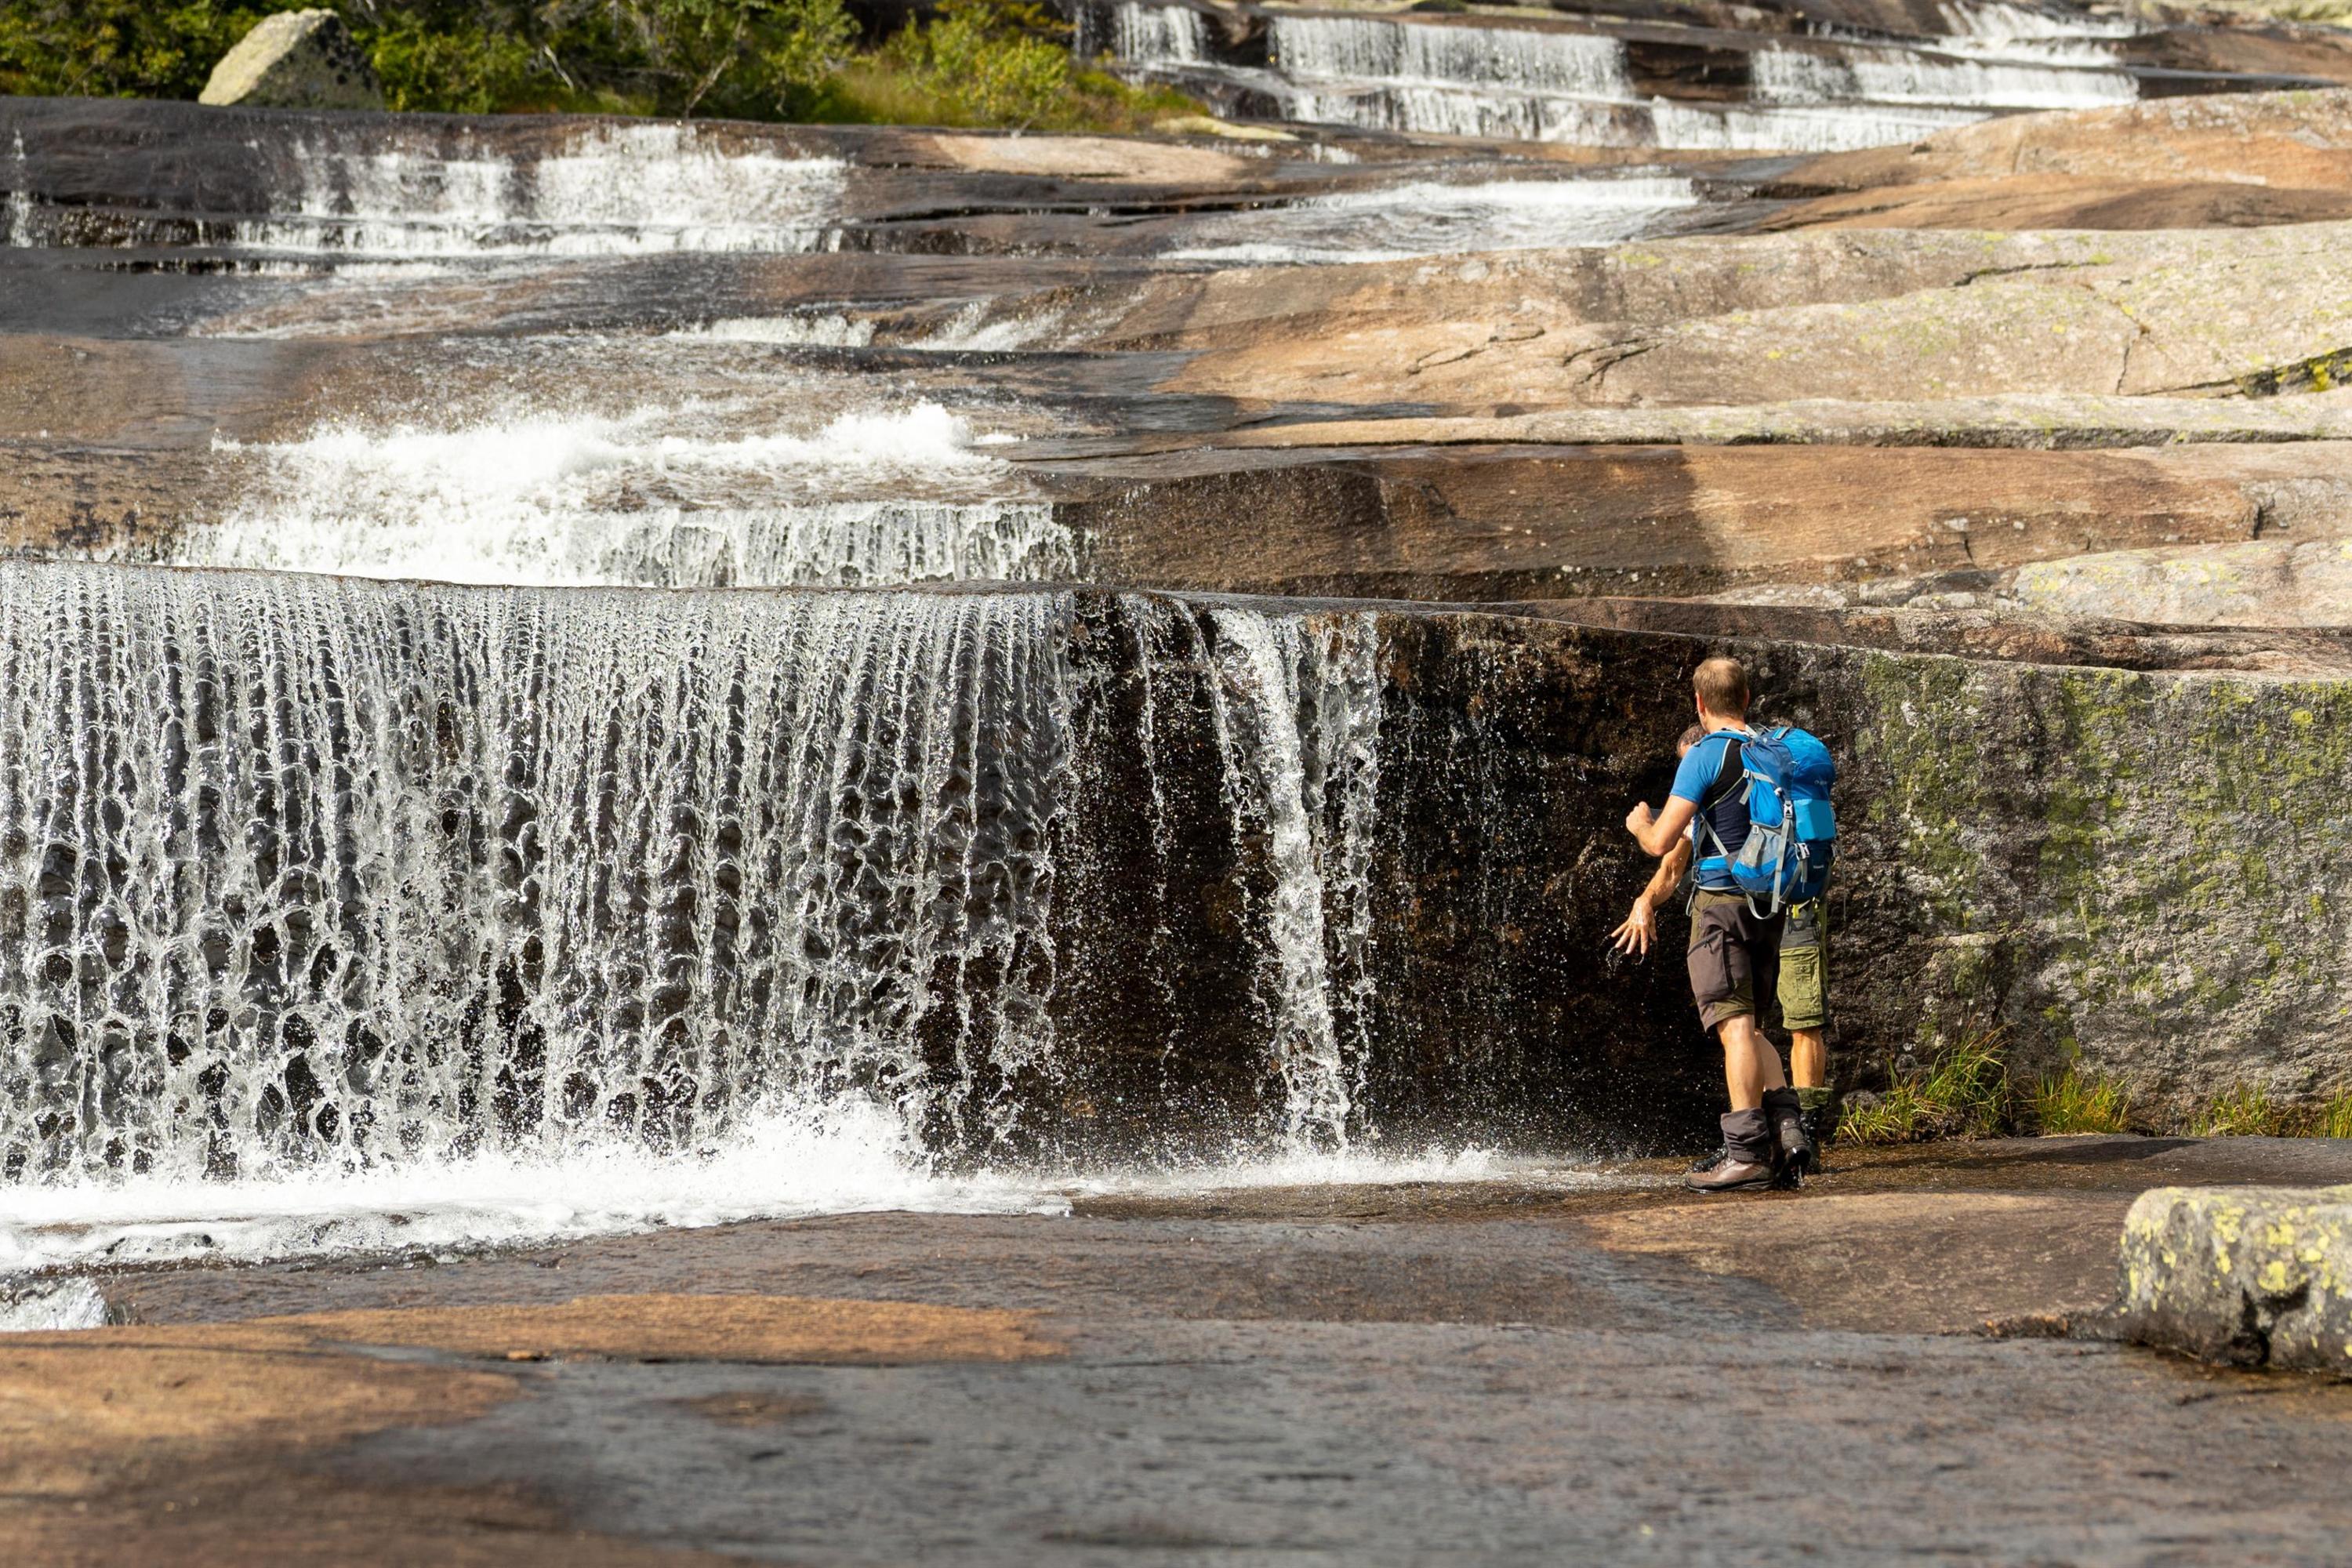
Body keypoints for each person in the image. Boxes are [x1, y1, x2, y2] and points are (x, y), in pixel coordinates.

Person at [1620, 657, 1815, 1192]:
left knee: (1733, 1028)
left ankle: (1746, 1153)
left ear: (1700, 705)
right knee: (1750, 1026)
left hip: (1721, 905)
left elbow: (1663, 842)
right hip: (1770, 902)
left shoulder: (1705, 755)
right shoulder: (1772, 748)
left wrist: (1640, 825)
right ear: (1747, 698)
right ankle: (1789, 1136)